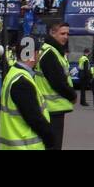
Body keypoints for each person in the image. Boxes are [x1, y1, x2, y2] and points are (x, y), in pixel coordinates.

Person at [0, 38, 53, 150]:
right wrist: (50, 138)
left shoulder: (13, 73)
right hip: (26, 146)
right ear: (33, 53)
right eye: (39, 52)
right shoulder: (22, 82)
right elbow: (34, 118)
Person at [36, 19, 77, 150]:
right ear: (52, 33)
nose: (66, 37)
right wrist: (72, 95)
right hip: (52, 108)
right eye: (62, 33)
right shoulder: (50, 53)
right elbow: (58, 81)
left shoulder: (52, 50)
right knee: (53, 145)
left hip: (51, 108)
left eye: (67, 34)